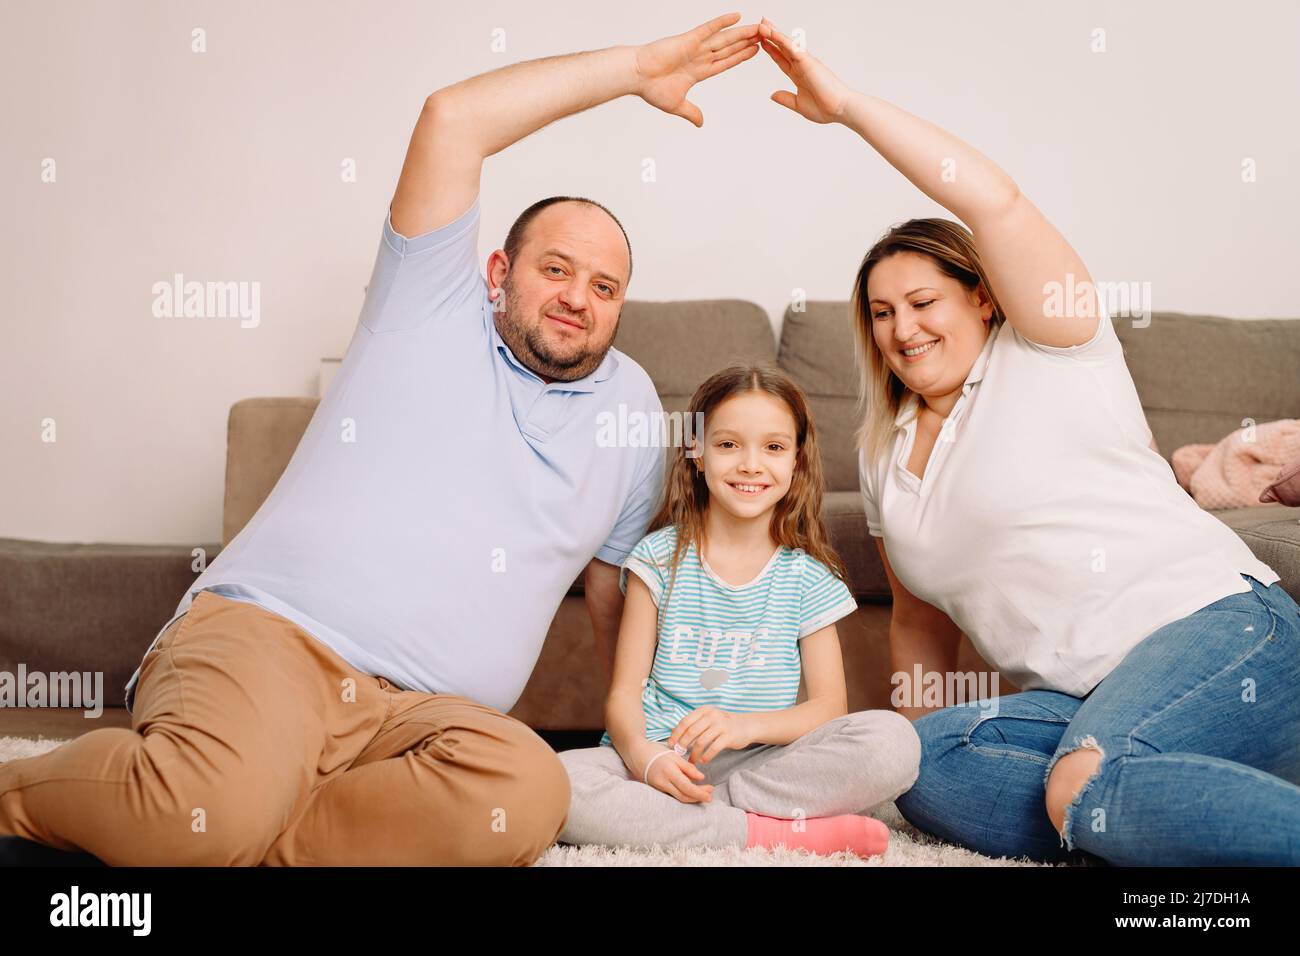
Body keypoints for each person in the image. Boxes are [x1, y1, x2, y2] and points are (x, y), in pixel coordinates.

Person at [0, 14, 763, 867]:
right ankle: (29, 792)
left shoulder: (632, 414)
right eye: (556, 269)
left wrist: (646, 737)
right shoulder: (425, 307)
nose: (579, 298)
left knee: (527, 791)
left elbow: (613, 596)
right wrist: (632, 69)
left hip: (426, 720)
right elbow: (451, 118)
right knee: (194, 818)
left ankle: (257, 823)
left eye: (605, 286)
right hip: (277, 640)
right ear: (498, 273)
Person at [755, 18, 1300, 865]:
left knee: (1077, 784)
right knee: (923, 770)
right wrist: (909, 736)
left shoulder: (1052, 350)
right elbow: (919, 622)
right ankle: (1152, 806)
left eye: (924, 302)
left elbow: (993, 199)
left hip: (1220, 630)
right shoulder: (884, 454)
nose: (902, 329)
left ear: (983, 297)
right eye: (882, 312)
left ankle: (1110, 793)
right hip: (1083, 698)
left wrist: (851, 109)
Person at [559, 366, 921, 858]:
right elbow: (625, 691)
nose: (751, 465)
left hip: (764, 764)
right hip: (661, 760)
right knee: (560, 782)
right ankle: (771, 832)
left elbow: (828, 709)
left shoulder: (808, 577)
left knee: (894, 742)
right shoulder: (656, 559)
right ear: (696, 451)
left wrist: (742, 727)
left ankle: (698, 817)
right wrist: (645, 759)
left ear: (797, 460)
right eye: (728, 444)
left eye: (773, 447)